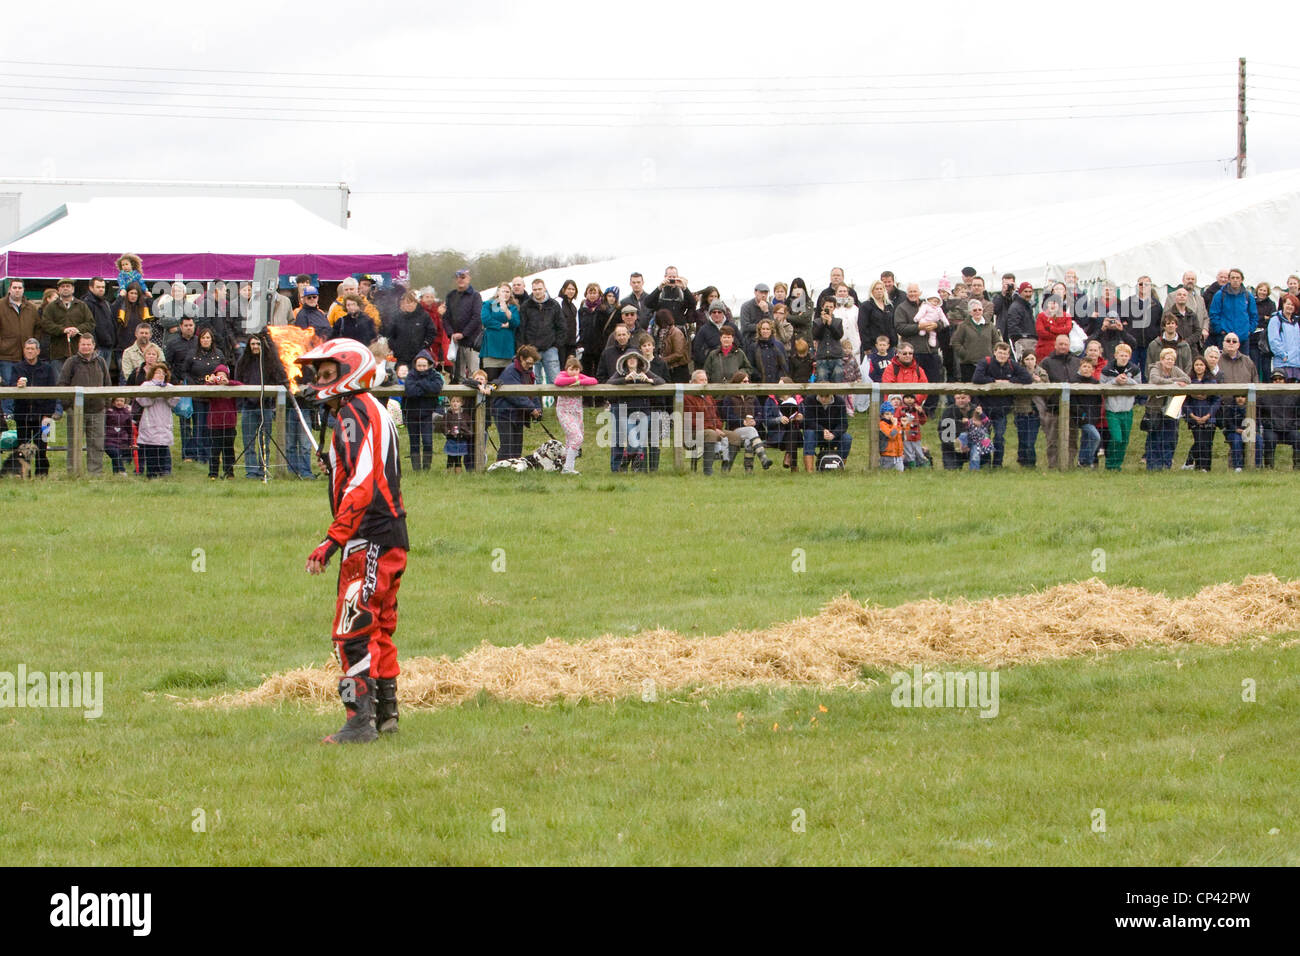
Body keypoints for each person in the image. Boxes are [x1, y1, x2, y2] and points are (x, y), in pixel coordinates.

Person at [297, 337, 408, 743]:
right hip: (388, 535)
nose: (319, 382)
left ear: (349, 374)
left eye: (327, 375)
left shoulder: (355, 411)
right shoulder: (364, 410)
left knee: (351, 632)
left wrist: (331, 540)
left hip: (370, 536)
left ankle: (359, 721)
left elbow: (362, 485)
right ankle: (386, 715)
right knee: (377, 629)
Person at [234, 332, 288, 479]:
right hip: (248, 407)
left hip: (266, 407)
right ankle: (251, 471)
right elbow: (237, 381)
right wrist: (241, 402)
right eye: (252, 344)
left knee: (265, 441)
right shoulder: (242, 362)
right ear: (248, 346)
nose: (255, 347)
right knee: (248, 441)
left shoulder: (270, 362)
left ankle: (263, 469)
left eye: (258, 344)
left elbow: (279, 379)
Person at [971, 341, 1032, 468]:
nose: (1002, 355)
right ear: (994, 352)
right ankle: (985, 463)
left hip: (1002, 409)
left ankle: (998, 464)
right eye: (1000, 352)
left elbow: (1027, 378)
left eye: (1005, 353)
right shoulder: (985, 362)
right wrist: (994, 381)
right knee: (984, 436)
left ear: (1009, 354)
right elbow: (977, 378)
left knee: (999, 437)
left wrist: (1010, 381)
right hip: (985, 407)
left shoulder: (1011, 365)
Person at [56, 333, 110, 474]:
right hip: (76, 411)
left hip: (98, 410)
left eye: (88, 344)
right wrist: (68, 406)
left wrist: (106, 404)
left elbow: (107, 384)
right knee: (74, 444)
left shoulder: (101, 362)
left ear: (93, 346)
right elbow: (62, 384)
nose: (86, 347)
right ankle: (73, 473)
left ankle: (95, 473)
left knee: (97, 444)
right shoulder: (71, 362)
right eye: (83, 344)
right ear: (79, 346)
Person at [8, 338, 54, 475]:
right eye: (27, 349)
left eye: (32, 349)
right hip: (23, 415)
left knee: (42, 448)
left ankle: (42, 475)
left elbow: (53, 392)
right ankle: (23, 474)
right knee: (23, 448)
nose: (29, 351)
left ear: (38, 351)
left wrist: (48, 415)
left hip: (43, 416)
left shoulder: (48, 369)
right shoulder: (17, 368)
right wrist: (17, 385)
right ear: (24, 351)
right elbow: (10, 387)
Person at [492, 345, 543, 461]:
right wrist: (532, 409)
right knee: (507, 445)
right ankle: (501, 469)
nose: (530, 366)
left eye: (532, 364)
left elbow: (532, 392)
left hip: (518, 414)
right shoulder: (510, 371)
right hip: (504, 413)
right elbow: (516, 395)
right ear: (521, 358)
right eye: (528, 363)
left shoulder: (528, 373)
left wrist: (538, 409)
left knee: (517, 446)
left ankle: (514, 470)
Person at [717, 371, 773, 471]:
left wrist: (755, 421)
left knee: (749, 441)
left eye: (748, 381)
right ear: (737, 383)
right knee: (751, 431)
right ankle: (763, 458)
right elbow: (726, 415)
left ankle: (748, 471)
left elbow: (760, 412)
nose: (747, 384)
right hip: (734, 430)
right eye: (744, 381)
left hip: (751, 430)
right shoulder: (729, 397)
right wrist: (742, 422)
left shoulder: (752, 397)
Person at [1145, 347, 1191, 470]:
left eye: (1172, 359)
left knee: (1170, 436)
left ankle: (1166, 464)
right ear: (1161, 359)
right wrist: (1174, 382)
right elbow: (1155, 379)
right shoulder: (1155, 368)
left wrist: (1171, 381)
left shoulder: (1176, 370)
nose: (1169, 361)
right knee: (1154, 436)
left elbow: (1187, 379)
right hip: (1155, 407)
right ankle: (1153, 465)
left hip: (1172, 406)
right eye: (1167, 359)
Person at [1040, 334, 1080, 469]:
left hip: (1073, 408)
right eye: (1061, 344)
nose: (1063, 346)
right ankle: (1053, 466)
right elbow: (1043, 384)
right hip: (1053, 408)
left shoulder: (1076, 361)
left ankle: (1069, 465)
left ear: (1069, 345)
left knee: (1072, 439)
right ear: (1055, 345)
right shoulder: (1046, 362)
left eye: (1066, 344)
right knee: (1053, 440)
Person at [1098, 342, 1141, 471]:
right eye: (1121, 355)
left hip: (1127, 409)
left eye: (1126, 355)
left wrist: (1127, 380)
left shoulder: (1134, 370)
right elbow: (1102, 386)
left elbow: (1139, 385)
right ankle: (1110, 464)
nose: (1123, 357)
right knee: (1117, 438)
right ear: (1115, 355)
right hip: (1112, 410)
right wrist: (1115, 381)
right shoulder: (1107, 370)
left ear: (1130, 356)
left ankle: (1118, 465)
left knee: (1124, 441)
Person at [1, 279, 39, 423]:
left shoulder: (31, 307)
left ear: (23, 290)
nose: (17, 290)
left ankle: (24, 412)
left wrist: (33, 344)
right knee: (9, 383)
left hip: (27, 354)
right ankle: (8, 413)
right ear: (9, 289)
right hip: (6, 354)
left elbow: (38, 328)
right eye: (14, 287)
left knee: (26, 384)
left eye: (20, 288)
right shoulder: (0, 306)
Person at [134, 362, 181, 478]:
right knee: (151, 450)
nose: (160, 375)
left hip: (164, 420)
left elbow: (174, 401)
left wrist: (165, 394)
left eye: (163, 373)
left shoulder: (169, 387)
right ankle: (151, 475)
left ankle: (163, 473)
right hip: (150, 420)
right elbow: (143, 401)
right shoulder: (146, 385)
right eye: (157, 373)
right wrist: (154, 393)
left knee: (162, 449)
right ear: (152, 374)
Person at [519, 278, 566, 394]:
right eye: (535, 289)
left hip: (550, 349)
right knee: (534, 381)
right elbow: (521, 329)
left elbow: (562, 327)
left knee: (555, 380)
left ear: (545, 289)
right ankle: (536, 408)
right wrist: (523, 348)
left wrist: (556, 345)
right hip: (531, 350)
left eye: (540, 289)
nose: (537, 292)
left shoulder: (554, 305)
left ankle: (556, 408)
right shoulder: (526, 306)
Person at [402, 349, 444, 471]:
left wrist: (420, 384)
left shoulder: (435, 374)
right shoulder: (410, 375)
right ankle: (416, 469)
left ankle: (426, 468)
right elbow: (410, 391)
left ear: (429, 364)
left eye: (424, 365)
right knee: (414, 442)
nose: (421, 368)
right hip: (411, 413)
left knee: (427, 441)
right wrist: (426, 387)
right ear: (415, 365)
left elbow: (436, 387)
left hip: (427, 413)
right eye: (419, 365)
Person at [555, 356, 596, 474]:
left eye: (577, 369)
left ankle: (568, 467)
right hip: (564, 411)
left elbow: (593, 380)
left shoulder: (579, 377)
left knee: (571, 439)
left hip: (577, 412)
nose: (574, 372)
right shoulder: (562, 375)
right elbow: (558, 381)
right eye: (571, 369)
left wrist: (579, 381)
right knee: (577, 437)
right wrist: (574, 380)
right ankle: (567, 467)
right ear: (566, 369)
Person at [443, 268, 483, 382]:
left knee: (473, 374)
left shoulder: (475, 296)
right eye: (458, 277)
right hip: (455, 343)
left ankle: (475, 400)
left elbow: (476, 317)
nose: (460, 280)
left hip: (471, 343)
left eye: (463, 277)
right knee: (457, 376)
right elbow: (446, 317)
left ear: (469, 278)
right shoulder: (451, 296)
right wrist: (451, 334)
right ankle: (458, 400)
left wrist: (464, 334)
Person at [1183, 355, 1220, 472]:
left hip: (1209, 417)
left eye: (1201, 365)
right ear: (1193, 367)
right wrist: (1191, 415)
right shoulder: (1188, 382)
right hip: (1194, 417)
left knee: (1208, 442)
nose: (1199, 367)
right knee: (1199, 441)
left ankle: (1206, 467)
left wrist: (1209, 415)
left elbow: (1217, 400)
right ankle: (1198, 465)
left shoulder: (1212, 382)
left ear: (1205, 367)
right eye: (1197, 365)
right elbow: (1184, 401)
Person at [383, 291, 437, 371]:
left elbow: (432, 332)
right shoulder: (397, 317)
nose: (407, 305)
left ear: (415, 303)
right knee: (401, 377)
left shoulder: (424, 316)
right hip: (401, 356)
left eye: (410, 302)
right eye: (405, 303)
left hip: (418, 355)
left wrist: (424, 344)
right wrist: (395, 346)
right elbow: (390, 334)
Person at [204, 364, 241, 479]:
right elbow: (204, 391)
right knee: (215, 450)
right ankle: (213, 473)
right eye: (218, 376)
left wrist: (228, 383)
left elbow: (241, 386)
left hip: (230, 424)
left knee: (229, 450)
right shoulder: (212, 388)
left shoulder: (232, 386)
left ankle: (229, 473)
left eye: (223, 376)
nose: (220, 378)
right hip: (215, 425)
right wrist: (211, 382)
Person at [950, 299, 1002, 381]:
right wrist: (965, 354)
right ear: (970, 312)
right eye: (974, 310)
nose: (977, 312)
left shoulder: (990, 325)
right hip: (968, 365)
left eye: (979, 309)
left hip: (987, 364)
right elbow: (955, 342)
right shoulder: (963, 326)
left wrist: (992, 353)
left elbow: (997, 342)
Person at [479, 283, 521, 383]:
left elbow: (515, 322)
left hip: (506, 350)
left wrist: (506, 310)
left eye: (508, 292)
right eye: (503, 291)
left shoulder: (513, 308)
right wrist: (502, 325)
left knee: (505, 381)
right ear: (498, 292)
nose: (505, 294)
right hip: (491, 350)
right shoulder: (488, 304)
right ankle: (491, 399)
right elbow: (485, 320)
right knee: (492, 380)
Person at [1208, 268, 1257, 352]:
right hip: (1225, 337)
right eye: (1233, 278)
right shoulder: (1220, 295)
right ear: (1229, 279)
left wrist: (1249, 330)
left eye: (1237, 278)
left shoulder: (1248, 296)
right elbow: (1214, 314)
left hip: (1243, 338)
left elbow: (1254, 315)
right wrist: (1220, 330)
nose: (1235, 280)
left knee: (1242, 363)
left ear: (1242, 280)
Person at [802, 390, 851, 471]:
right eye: (821, 396)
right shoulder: (810, 399)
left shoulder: (840, 401)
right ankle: (809, 471)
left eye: (826, 396)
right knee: (809, 433)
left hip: (834, 434)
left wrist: (834, 434)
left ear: (832, 394)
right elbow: (808, 421)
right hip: (816, 433)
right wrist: (822, 430)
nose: (823, 399)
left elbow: (844, 424)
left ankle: (839, 467)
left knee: (847, 438)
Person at [1012, 353, 1046, 467]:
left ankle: (1031, 463)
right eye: (1027, 359)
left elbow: (1048, 387)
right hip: (1021, 410)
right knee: (1022, 438)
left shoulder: (1042, 372)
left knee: (1030, 440)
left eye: (1032, 359)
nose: (1030, 361)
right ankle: (1022, 460)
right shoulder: (1018, 372)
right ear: (1023, 361)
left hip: (1035, 411)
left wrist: (1040, 381)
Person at [1070, 357, 1103, 468]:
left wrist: (1096, 415)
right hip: (1081, 417)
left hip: (1093, 416)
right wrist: (1082, 414)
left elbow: (1098, 401)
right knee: (1095, 437)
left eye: (1089, 367)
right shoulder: (1074, 381)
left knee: (1086, 439)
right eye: (1084, 366)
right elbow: (1073, 401)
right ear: (1080, 367)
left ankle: (1081, 462)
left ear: (1093, 370)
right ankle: (1086, 461)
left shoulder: (1095, 383)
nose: (1086, 369)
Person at [83, 276, 117, 379]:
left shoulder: (106, 303)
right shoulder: (87, 303)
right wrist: (94, 346)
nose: (101, 289)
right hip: (97, 347)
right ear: (91, 288)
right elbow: (89, 326)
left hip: (108, 345)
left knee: (104, 376)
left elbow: (111, 323)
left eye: (103, 287)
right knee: (95, 376)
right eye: (98, 287)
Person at [1267, 293, 1300, 381]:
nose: (1290, 307)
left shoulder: (1296, 322)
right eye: (1288, 304)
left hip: (1296, 364)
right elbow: (1274, 340)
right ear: (1283, 304)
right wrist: (1283, 355)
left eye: (1293, 305)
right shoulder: (1276, 320)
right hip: (1283, 364)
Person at [653, 309, 689, 383]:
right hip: (668, 368)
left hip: (678, 370)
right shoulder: (661, 333)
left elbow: (679, 354)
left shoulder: (676, 333)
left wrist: (662, 360)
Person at [811, 300, 844, 382]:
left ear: (834, 308)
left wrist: (830, 324)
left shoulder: (838, 321)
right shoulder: (817, 322)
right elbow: (816, 336)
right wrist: (823, 323)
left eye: (831, 307)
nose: (829, 309)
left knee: (838, 380)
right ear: (822, 308)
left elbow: (838, 335)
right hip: (822, 357)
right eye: (826, 307)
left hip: (836, 356)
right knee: (822, 381)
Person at [104, 396, 134, 475]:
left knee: (116, 456)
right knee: (115, 453)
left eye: (121, 401)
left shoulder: (127, 413)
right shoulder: (108, 412)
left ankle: (116, 474)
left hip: (121, 440)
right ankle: (122, 470)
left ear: (125, 402)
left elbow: (129, 429)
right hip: (109, 439)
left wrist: (131, 442)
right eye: (117, 400)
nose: (119, 402)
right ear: (113, 402)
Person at [442, 394, 472, 472]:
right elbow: (444, 426)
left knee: (458, 458)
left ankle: (458, 474)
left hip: (461, 440)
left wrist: (465, 432)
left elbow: (469, 427)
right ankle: (449, 473)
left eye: (458, 401)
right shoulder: (447, 415)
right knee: (450, 457)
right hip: (451, 440)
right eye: (453, 401)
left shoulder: (465, 415)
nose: (455, 403)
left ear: (461, 403)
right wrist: (448, 432)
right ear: (450, 403)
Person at [878, 399, 904, 471]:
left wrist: (904, 426)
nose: (890, 416)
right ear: (882, 415)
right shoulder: (882, 424)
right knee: (886, 475)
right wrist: (895, 425)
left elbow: (901, 437)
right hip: (887, 455)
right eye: (887, 414)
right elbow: (891, 435)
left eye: (891, 414)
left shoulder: (895, 424)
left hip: (898, 455)